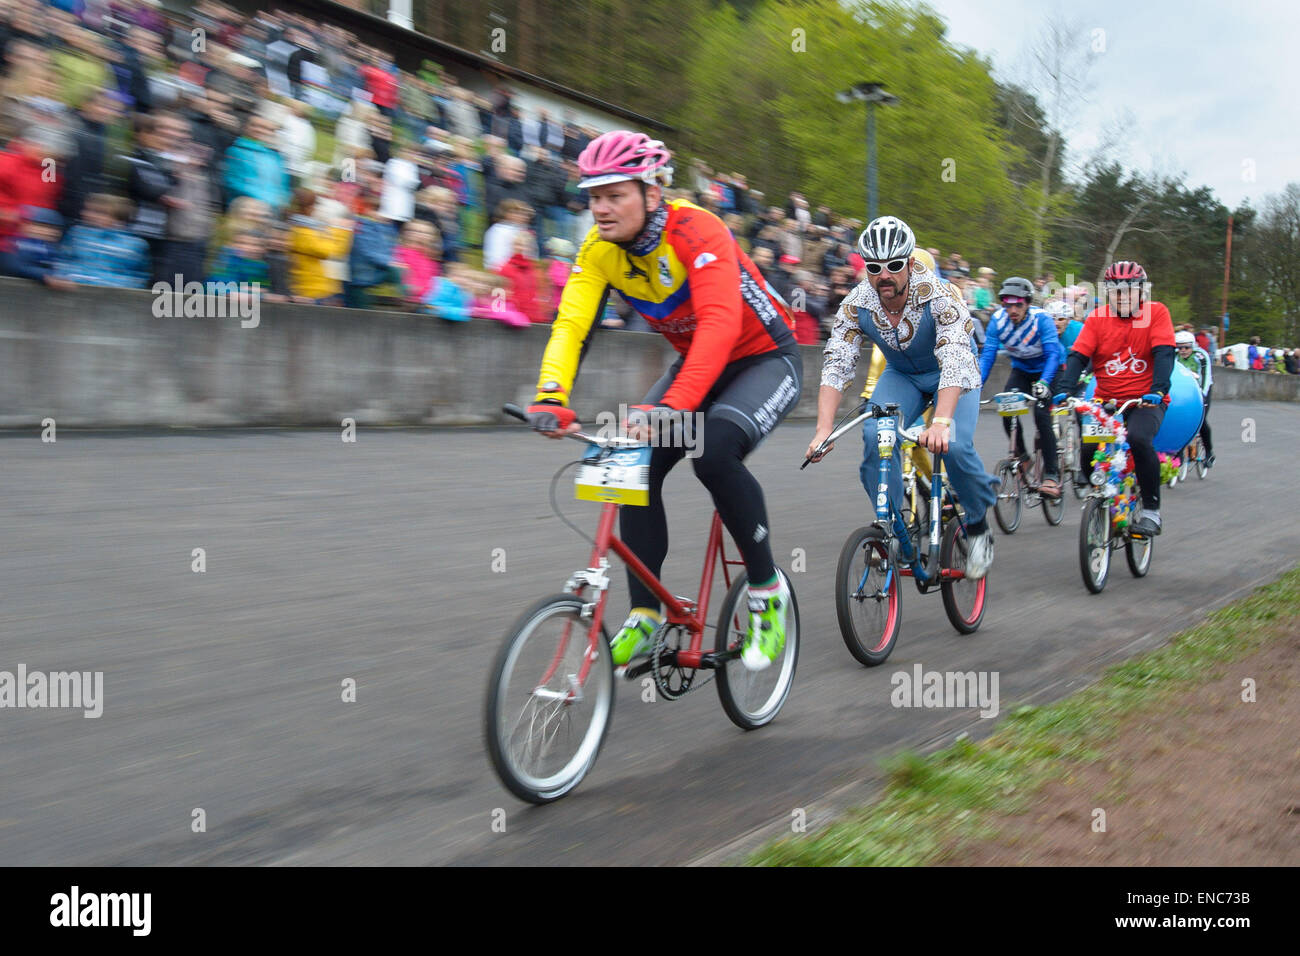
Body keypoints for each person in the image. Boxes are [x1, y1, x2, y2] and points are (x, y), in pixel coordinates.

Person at [524, 130, 802, 672]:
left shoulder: (699, 230)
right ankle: (646, 616)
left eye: (614, 195)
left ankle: (768, 596)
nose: (600, 209)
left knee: (715, 452)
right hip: (697, 365)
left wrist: (673, 407)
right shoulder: (599, 250)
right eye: (593, 196)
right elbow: (571, 324)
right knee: (630, 462)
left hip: (764, 359)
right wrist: (551, 395)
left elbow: (720, 325)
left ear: (652, 192)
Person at [809, 216, 998, 578]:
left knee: (953, 446)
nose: (885, 275)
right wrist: (823, 429)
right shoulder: (858, 302)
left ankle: (977, 525)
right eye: (874, 267)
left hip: (953, 375)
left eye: (895, 266)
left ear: (911, 263)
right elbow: (837, 364)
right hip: (903, 377)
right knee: (872, 437)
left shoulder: (939, 295)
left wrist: (941, 422)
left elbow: (957, 359)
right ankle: (893, 530)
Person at [1054, 261, 1175, 537]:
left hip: (1145, 400)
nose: (1122, 296)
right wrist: (1065, 388)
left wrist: (1157, 390)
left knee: (1139, 439)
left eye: (1128, 290)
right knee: (1088, 449)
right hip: (1106, 400)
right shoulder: (1097, 318)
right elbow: (1078, 356)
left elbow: (1165, 353)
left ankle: (1151, 511)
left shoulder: (1156, 313)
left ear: (1141, 291)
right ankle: (1099, 500)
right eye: (1115, 291)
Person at [978, 276, 1064, 497]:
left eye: (1018, 304)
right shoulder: (997, 321)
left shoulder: (1042, 319)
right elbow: (987, 356)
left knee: (1042, 415)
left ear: (1028, 303)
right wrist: (976, 384)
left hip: (1048, 368)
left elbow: (1053, 354)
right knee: (1006, 409)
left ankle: (1052, 475)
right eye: (1008, 304)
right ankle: (1024, 457)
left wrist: (1045, 382)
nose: (1013, 309)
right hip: (1023, 370)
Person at [1174, 329, 1214, 467]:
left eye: (1186, 347)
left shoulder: (1201, 355)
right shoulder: (1174, 356)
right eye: (1179, 347)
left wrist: (1202, 395)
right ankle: (1178, 450)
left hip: (1202, 389)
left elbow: (1206, 376)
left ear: (1193, 346)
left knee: (1200, 421)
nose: (1183, 350)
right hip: (1184, 391)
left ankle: (1209, 452)